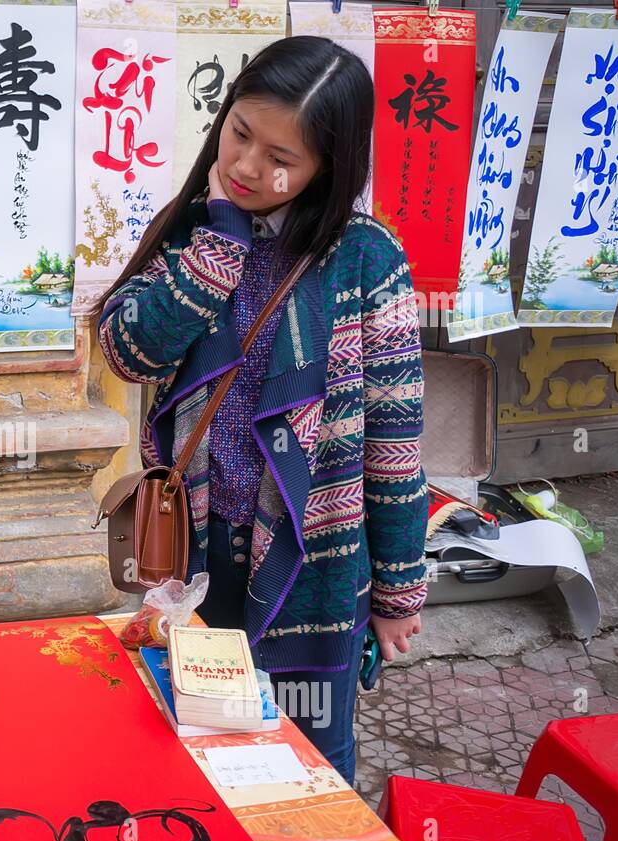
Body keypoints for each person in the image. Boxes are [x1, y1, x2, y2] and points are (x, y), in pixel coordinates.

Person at [93, 36, 428, 785]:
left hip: (317, 563)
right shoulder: (192, 229)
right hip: (199, 551)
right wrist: (219, 245)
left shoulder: (367, 258)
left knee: (304, 759)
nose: (247, 166)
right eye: (240, 133)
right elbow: (128, 352)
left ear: (327, 170)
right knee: (193, 735)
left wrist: (400, 588)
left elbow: (396, 438)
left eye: (282, 156)